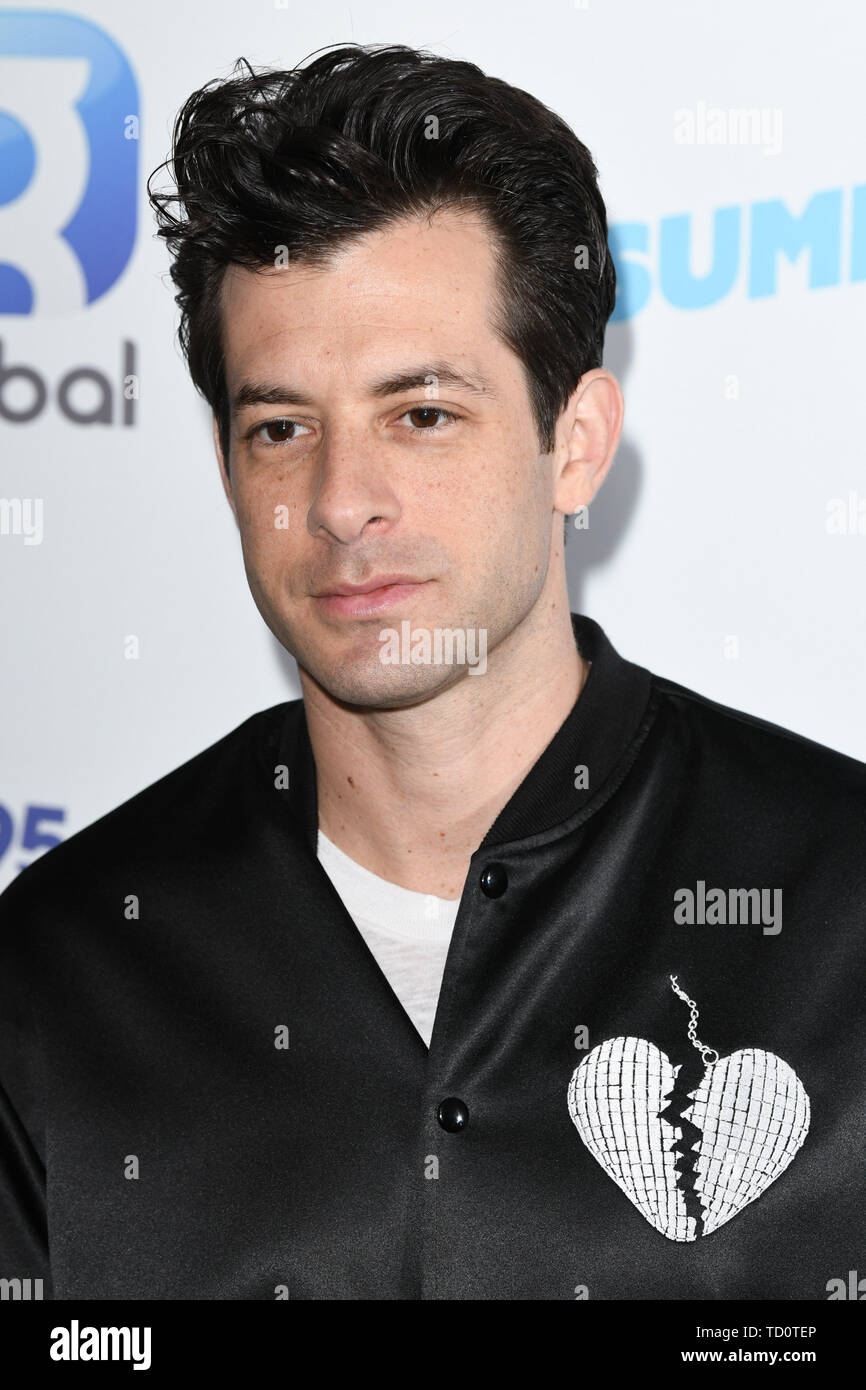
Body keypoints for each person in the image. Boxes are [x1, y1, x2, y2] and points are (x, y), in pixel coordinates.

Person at [1, 43, 863, 1301]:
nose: (342, 502)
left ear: (575, 448)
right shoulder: (62, 967)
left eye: (421, 414)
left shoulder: (842, 907)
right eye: (281, 428)